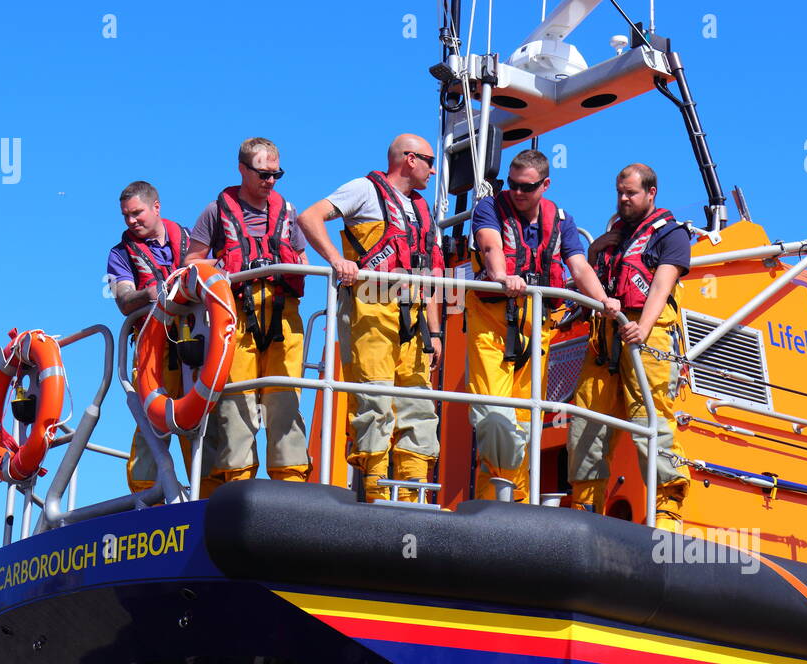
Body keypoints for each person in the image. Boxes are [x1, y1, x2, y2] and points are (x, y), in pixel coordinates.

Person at [297, 134, 444, 502]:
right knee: (373, 402)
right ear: (410, 159)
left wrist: (436, 331)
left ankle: (414, 499)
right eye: (429, 160)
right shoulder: (364, 190)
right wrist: (336, 258)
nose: (433, 168)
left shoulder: (422, 210)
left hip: (413, 322)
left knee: (419, 407)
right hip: (370, 311)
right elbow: (310, 216)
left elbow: (429, 275)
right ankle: (377, 494)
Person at [470, 149, 619, 503]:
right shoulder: (489, 208)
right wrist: (503, 276)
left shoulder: (562, 220)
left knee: (524, 420)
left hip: (537, 332)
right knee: (494, 415)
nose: (518, 192)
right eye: (512, 184)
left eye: (527, 187)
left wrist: (604, 301)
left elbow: (579, 267)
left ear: (545, 185)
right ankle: (498, 500)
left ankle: (514, 501)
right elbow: (491, 246)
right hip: (491, 329)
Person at [567, 163, 691, 529]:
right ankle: (585, 510)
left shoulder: (672, 235)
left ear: (651, 193)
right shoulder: (613, 237)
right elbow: (596, 280)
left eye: (631, 193)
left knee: (650, 421)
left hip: (646, 339)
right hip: (604, 341)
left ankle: (667, 509)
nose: (623, 199)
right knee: (587, 419)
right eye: (619, 192)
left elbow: (660, 287)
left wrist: (643, 327)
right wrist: (593, 252)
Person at [186, 137, 310, 491]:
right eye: (263, 174)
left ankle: (291, 488)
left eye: (276, 175)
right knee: (236, 406)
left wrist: (295, 265)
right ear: (242, 169)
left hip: (283, 316)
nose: (270, 181)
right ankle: (236, 488)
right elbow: (191, 262)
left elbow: (302, 260)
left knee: (284, 401)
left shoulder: (288, 212)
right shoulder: (215, 212)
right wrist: (223, 266)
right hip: (235, 317)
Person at [105, 181, 195, 493]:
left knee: (204, 418)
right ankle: (145, 497)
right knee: (152, 423)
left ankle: (208, 493)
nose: (131, 221)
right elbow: (123, 301)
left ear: (156, 207)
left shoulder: (191, 240)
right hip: (152, 348)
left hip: (197, 345)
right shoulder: (119, 255)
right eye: (126, 216)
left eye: (137, 213)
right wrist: (149, 292)